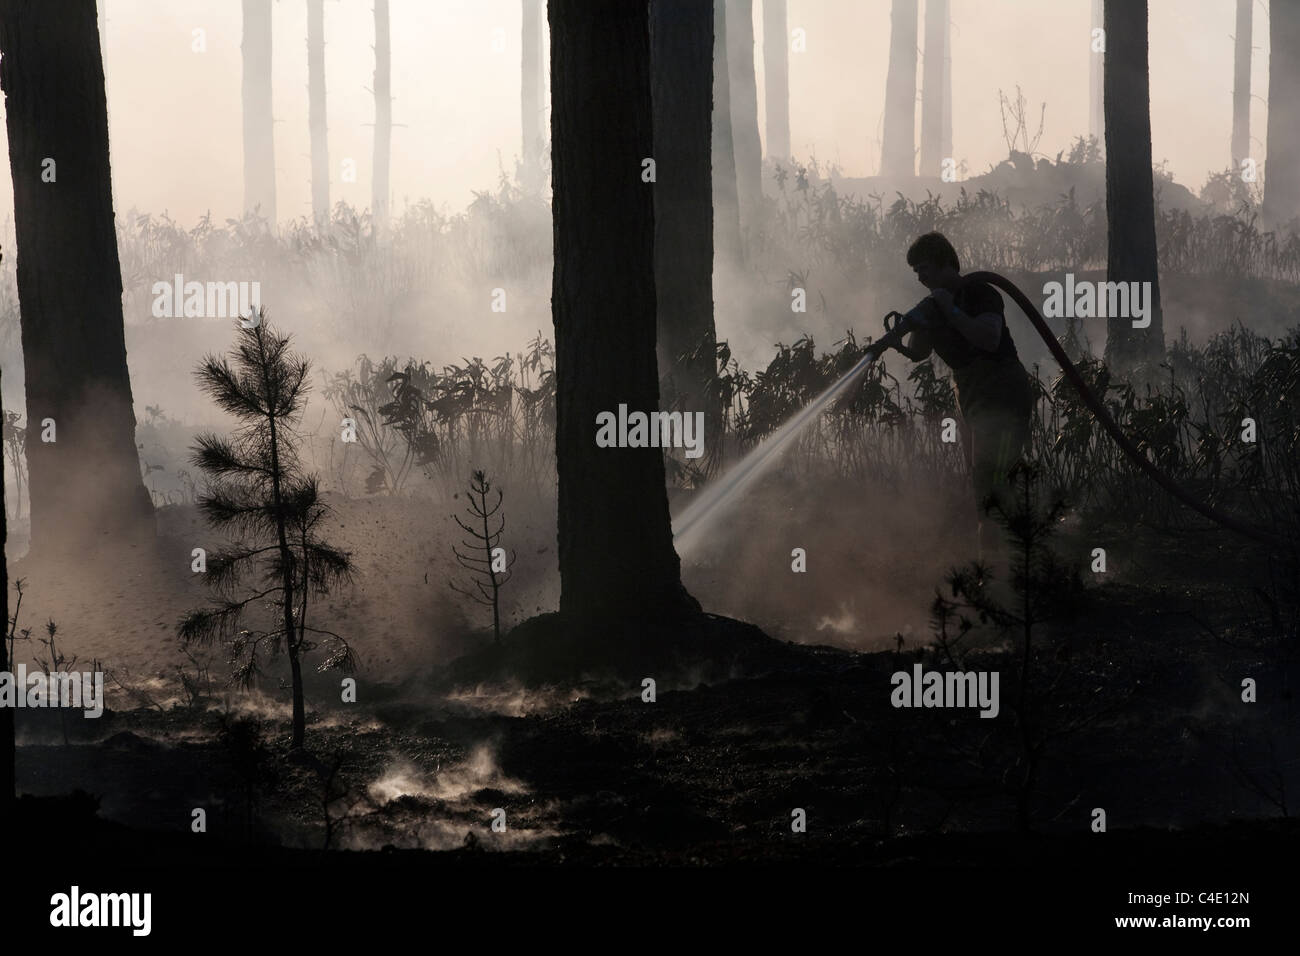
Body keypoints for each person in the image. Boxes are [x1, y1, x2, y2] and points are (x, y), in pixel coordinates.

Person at [893, 232, 1034, 561]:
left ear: (945, 264)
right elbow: (920, 352)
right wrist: (910, 327)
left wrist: (950, 311)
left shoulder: (979, 292)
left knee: (994, 477)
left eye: (924, 268)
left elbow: (988, 337)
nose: (920, 277)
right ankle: (1003, 560)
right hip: (972, 401)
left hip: (1003, 397)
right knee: (983, 479)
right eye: (915, 271)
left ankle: (1008, 564)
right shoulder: (934, 305)